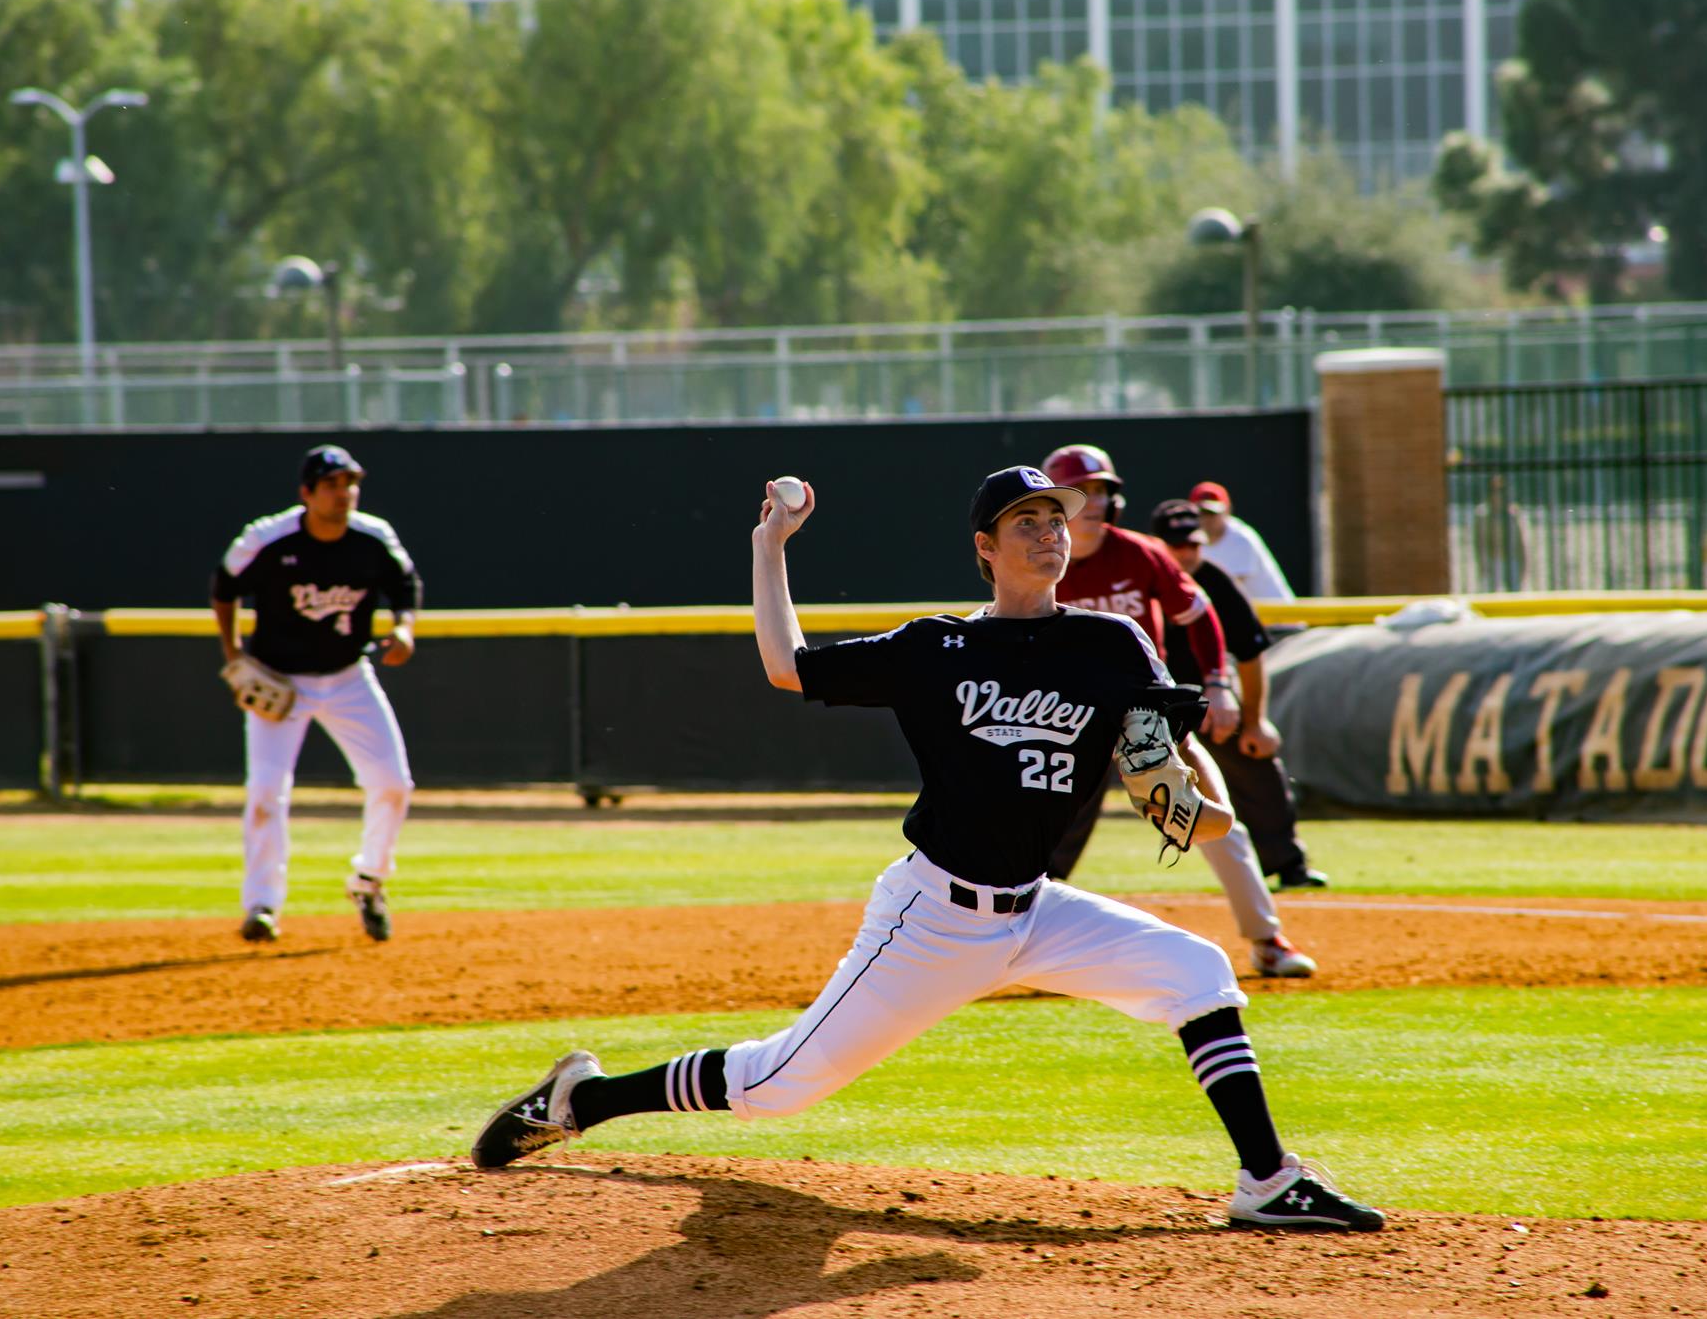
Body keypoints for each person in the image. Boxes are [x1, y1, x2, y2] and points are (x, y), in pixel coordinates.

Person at [468, 466, 1386, 1233]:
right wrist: (770, 547)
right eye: (1024, 520)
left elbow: (1174, 761)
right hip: (934, 912)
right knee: (778, 1083)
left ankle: (1268, 1182)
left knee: (1198, 970)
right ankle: (579, 1101)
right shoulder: (935, 648)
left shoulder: (1113, 642)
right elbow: (788, 664)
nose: (1049, 533)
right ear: (985, 547)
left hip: (1037, 907)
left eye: (1056, 519)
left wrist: (1205, 809)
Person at [1041, 444, 1319, 977]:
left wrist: (1218, 682)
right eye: (1081, 493)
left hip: (1146, 713)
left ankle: (1267, 940)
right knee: (1037, 828)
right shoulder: (1040, 559)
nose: (1094, 502)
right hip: (1068, 716)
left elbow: (1200, 615)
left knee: (1215, 818)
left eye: (1101, 491)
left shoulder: (1141, 553)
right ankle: (1004, 939)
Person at [210, 444, 421, 944]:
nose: (344, 493)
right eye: (332, 484)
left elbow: (406, 583)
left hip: (348, 677)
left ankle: (368, 881)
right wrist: (233, 654)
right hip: (281, 680)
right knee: (265, 792)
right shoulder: (268, 538)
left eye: (351, 483)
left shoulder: (373, 537)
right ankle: (262, 904)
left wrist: (406, 628)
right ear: (306, 493)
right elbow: (224, 586)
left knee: (393, 784)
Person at [1152, 499, 1332, 895]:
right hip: (1150, 696)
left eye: (1194, 544)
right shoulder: (1144, 577)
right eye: (1176, 545)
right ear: (1158, 546)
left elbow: (1250, 656)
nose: (1187, 554)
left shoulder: (1215, 581)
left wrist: (1255, 721)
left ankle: (1288, 865)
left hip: (1209, 696)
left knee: (1257, 761)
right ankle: (1048, 870)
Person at [1188, 481, 1294, 603]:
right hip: (1249, 617)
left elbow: (1229, 593)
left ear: (1227, 510)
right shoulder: (1195, 540)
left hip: (1277, 619)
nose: (1206, 519)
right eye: (1201, 513)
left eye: (1212, 513)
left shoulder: (1241, 539)